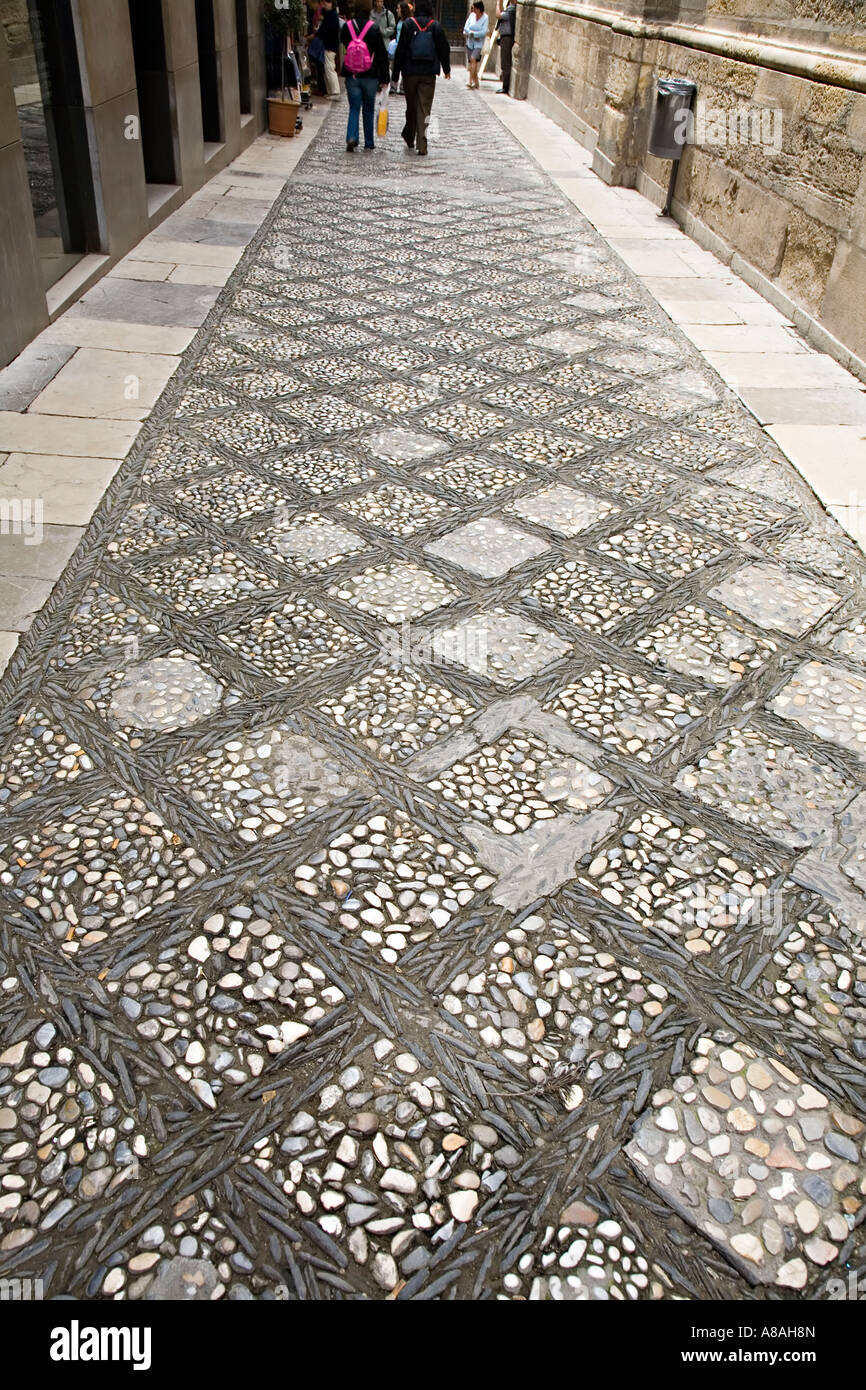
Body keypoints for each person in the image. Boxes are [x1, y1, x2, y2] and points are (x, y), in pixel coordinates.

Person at [391, 0, 450, 156]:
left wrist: (395, 74)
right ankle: (422, 144)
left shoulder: (408, 25)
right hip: (428, 74)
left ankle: (409, 136)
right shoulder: (435, 26)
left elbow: (401, 50)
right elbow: (444, 48)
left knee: (411, 106)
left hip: (410, 73)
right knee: (424, 108)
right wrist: (447, 69)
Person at [341, 0, 390, 151]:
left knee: (354, 107)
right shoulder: (374, 29)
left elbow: (343, 42)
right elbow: (382, 55)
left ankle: (351, 137)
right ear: (369, 10)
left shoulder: (347, 27)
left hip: (352, 74)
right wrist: (385, 78)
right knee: (368, 109)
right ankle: (369, 142)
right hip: (370, 74)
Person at [317, 0, 342, 98]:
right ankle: (331, 91)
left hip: (330, 45)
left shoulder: (332, 16)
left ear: (331, 4)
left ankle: (335, 92)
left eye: (327, 3)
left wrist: (319, 32)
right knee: (328, 68)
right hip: (329, 44)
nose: (324, 5)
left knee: (329, 68)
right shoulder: (330, 14)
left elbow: (328, 30)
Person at [463, 2, 488, 90]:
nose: (473, 10)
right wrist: (473, 34)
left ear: (479, 9)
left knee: (473, 59)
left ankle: (470, 81)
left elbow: (484, 31)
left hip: (478, 43)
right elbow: (466, 27)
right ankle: (476, 82)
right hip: (470, 42)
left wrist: (475, 34)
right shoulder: (471, 16)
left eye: (474, 8)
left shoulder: (485, 18)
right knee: (472, 63)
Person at [390, 1, 412, 94]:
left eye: (398, 8)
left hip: (405, 47)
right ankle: (393, 86)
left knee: (404, 67)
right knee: (394, 66)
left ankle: (403, 87)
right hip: (397, 46)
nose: (397, 10)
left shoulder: (409, 21)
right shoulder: (399, 20)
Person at [495, 0, 516, 94]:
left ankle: (505, 86)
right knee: (504, 61)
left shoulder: (512, 9)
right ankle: (505, 83)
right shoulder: (510, 8)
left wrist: (497, 4)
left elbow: (498, 15)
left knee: (505, 62)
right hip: (505, 37)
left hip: (507, 37)